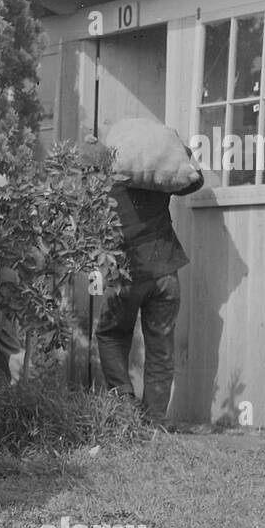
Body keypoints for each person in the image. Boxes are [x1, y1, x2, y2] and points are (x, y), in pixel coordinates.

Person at [95, 151, 205, 424]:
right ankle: (155, 423)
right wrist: (186, 156)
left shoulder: (108, 183)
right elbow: (195, 181)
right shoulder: (159, 178)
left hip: (126, 275)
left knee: (111, 335)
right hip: (166, 272)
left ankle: (124, 409)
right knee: (160, 348)